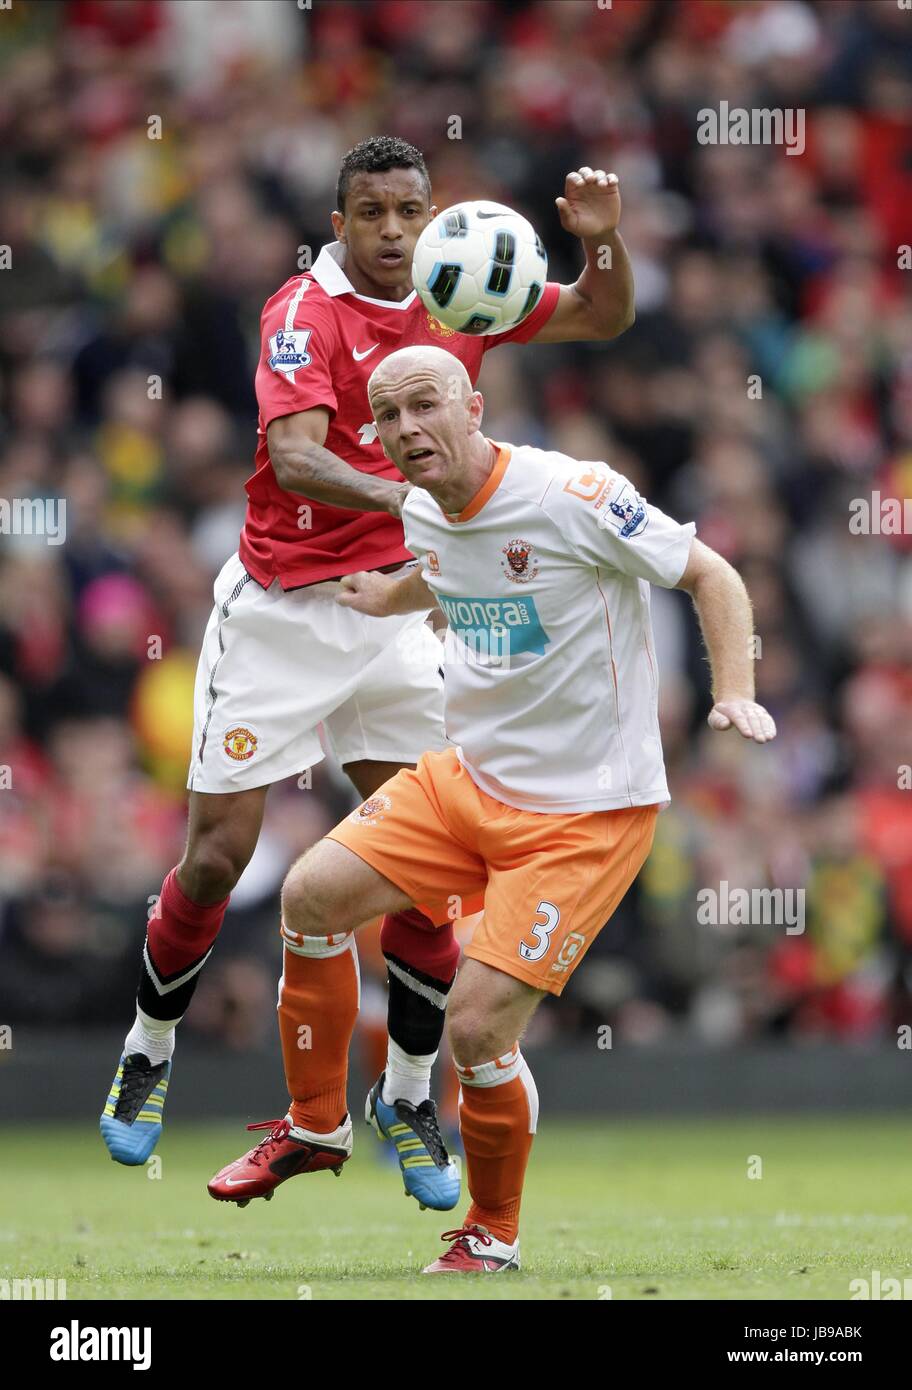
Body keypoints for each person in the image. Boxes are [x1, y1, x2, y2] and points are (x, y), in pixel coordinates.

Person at [100, 135, 640, 1215]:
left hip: (395, 612)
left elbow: (601, 314)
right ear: (338, 221)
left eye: (408, 209)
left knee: (427, 867)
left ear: (430, 213)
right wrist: (420, 502)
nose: (393, 231)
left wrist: (606, 242)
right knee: (218, 856)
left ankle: (403, 1095)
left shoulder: (459, 289)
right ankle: (150, 1045)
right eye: (371, 212)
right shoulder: (303, 313)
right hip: (282, 612)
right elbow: (296, 458)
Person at [208, 343, 776, 1270]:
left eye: (424, 406)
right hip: (464, 782)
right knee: (309, 899)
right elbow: (445, 566)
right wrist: (389, 595)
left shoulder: (573, 495)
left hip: (585, 816)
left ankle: (493, 1233)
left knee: (475, 1026)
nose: (404, 431)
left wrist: (734, 691)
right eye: (387, 418)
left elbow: (711, 574)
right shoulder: (425, 507)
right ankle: (316, 1128)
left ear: (474, 406)